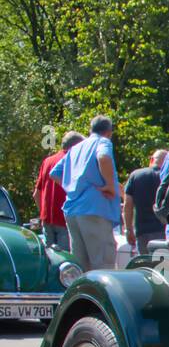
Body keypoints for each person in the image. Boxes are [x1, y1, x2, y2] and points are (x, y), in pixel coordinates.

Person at [51, 116, 119, 272]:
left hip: (73, 210)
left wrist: (72, 187)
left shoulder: (76, 148)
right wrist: (109, 185)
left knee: (80, 266)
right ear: (109, 132)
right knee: (103, 264)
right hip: (94, 209)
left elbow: (54, 173)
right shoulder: (103, 142)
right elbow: (104, 157)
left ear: (90, 130)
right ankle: (104, 296)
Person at [33, 132, 82, 250]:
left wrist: (43, 215)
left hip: (47, 220)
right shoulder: (74, 160)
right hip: (65, 219)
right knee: (65, 261)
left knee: (50, 260)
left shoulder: (47, 161)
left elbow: (36, 194)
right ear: (76, 146)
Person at [122, 148, 166, 253]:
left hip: (142, 231)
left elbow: (127, 204)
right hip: (163, 231)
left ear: (151, 160)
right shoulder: (168, 177)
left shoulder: (135, 175)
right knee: (163, 266)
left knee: (145, 265)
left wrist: (129, 229)